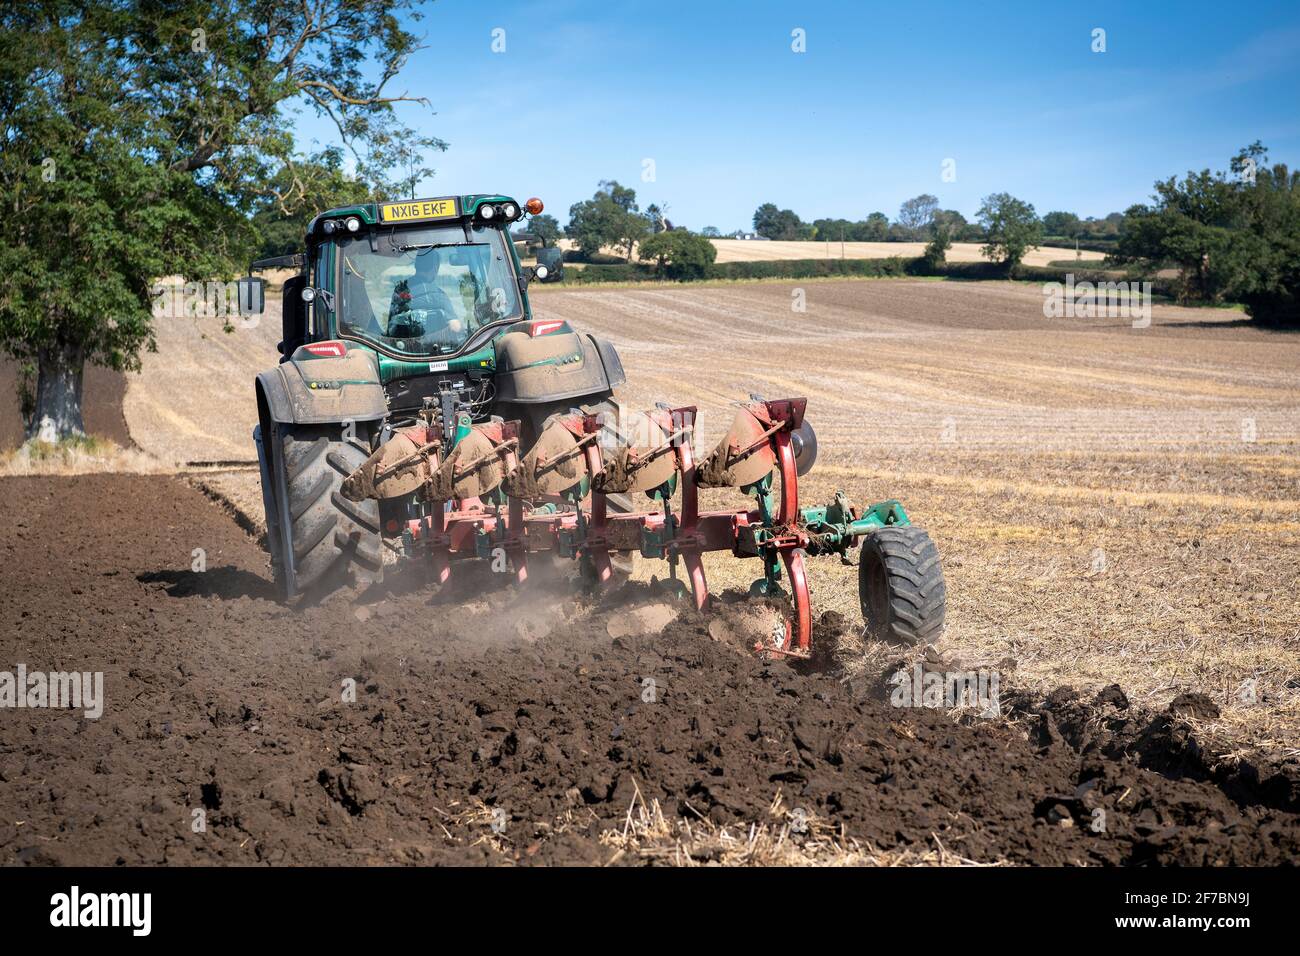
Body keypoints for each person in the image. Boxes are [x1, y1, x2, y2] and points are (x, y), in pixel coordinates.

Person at [388, 249, 463, 344]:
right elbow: (455, 328)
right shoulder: (439, 295)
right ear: (435, 268)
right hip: (435, 350)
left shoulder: (400, 290)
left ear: (416, 265)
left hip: (402, 351)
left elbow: (391, 325)